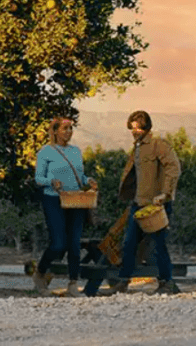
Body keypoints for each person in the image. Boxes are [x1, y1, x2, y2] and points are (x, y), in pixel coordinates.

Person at [105, 110, 182, 295]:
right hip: (138, 203)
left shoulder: (158, 145)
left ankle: (167, 282)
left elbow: (174, 167)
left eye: (138, 128)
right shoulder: (137, 148)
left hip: (156, 206)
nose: (135, 132)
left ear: (147, 127)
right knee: (129, 243)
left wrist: (165, 194)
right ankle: (123, 282)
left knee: (157, 245)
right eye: (132, 129)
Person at [31, 117, 97, 297]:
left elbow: (80, 176)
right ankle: (40, 272)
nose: (69, 131)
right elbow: (38, 178)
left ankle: (73, 283)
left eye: (71, 128)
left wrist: (89, 180)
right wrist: (51, 181)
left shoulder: (76, 151)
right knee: (58, 243)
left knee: (74, 243)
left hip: (76, 200)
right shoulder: (46, 152)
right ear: (55, 131)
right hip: (54, 199)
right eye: (65, 128)